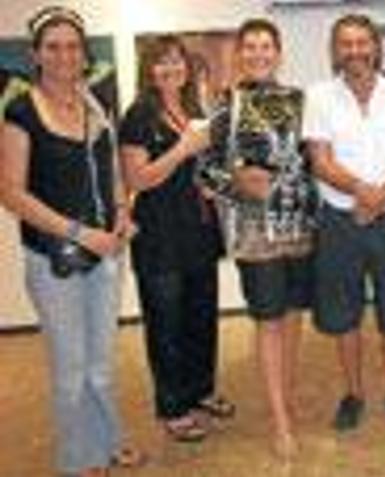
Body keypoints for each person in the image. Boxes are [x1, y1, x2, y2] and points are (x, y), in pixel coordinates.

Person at [0, 6, 141, 476]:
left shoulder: (95, 104)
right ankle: (79, 461)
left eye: (73, 46)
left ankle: (109, 443)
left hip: (105, 254)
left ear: (84, 53)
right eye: (53, 47)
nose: (65, 55)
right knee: (71, 371)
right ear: (36, 55)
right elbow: (11, 193)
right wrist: (81, 234)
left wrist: (121, 213)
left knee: (101, 366)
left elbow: (112, 172)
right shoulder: (21, 111)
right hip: (53, 259)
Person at [198, 18, 318, 459]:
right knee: (269, 320)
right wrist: (237, 183)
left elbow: (313, 161)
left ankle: (286, 397)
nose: (258, 53)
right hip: (255, 234)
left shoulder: (300, 102)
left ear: (278, 53)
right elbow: (205, 172)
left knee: (293, 318)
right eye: (250, 46)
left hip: (300, 227)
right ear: (238, 54)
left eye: (266, 46)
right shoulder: (224, 107)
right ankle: (280, 421)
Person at [303, 13, 385, 431]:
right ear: (335, 50)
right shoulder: (319, 96)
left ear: (375, 46)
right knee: (343, 313)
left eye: (362, 42)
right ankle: (354, 394)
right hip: (342, 219)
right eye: (346, 43)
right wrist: (363, 192)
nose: (355, 50)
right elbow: (320, 162)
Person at [119, 34, 231, 444]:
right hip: (159, 238)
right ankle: (172, 408)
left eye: (178, 60)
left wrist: (213, 178)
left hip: (199, 231)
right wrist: (184, 149)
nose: (171, 68)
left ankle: (200, 391)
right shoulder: (138, 115)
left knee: (202, 319)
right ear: (148, 69)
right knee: (166, 326)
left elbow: (202, 168)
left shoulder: (193, 110)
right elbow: (137, 179)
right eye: (162, 61)